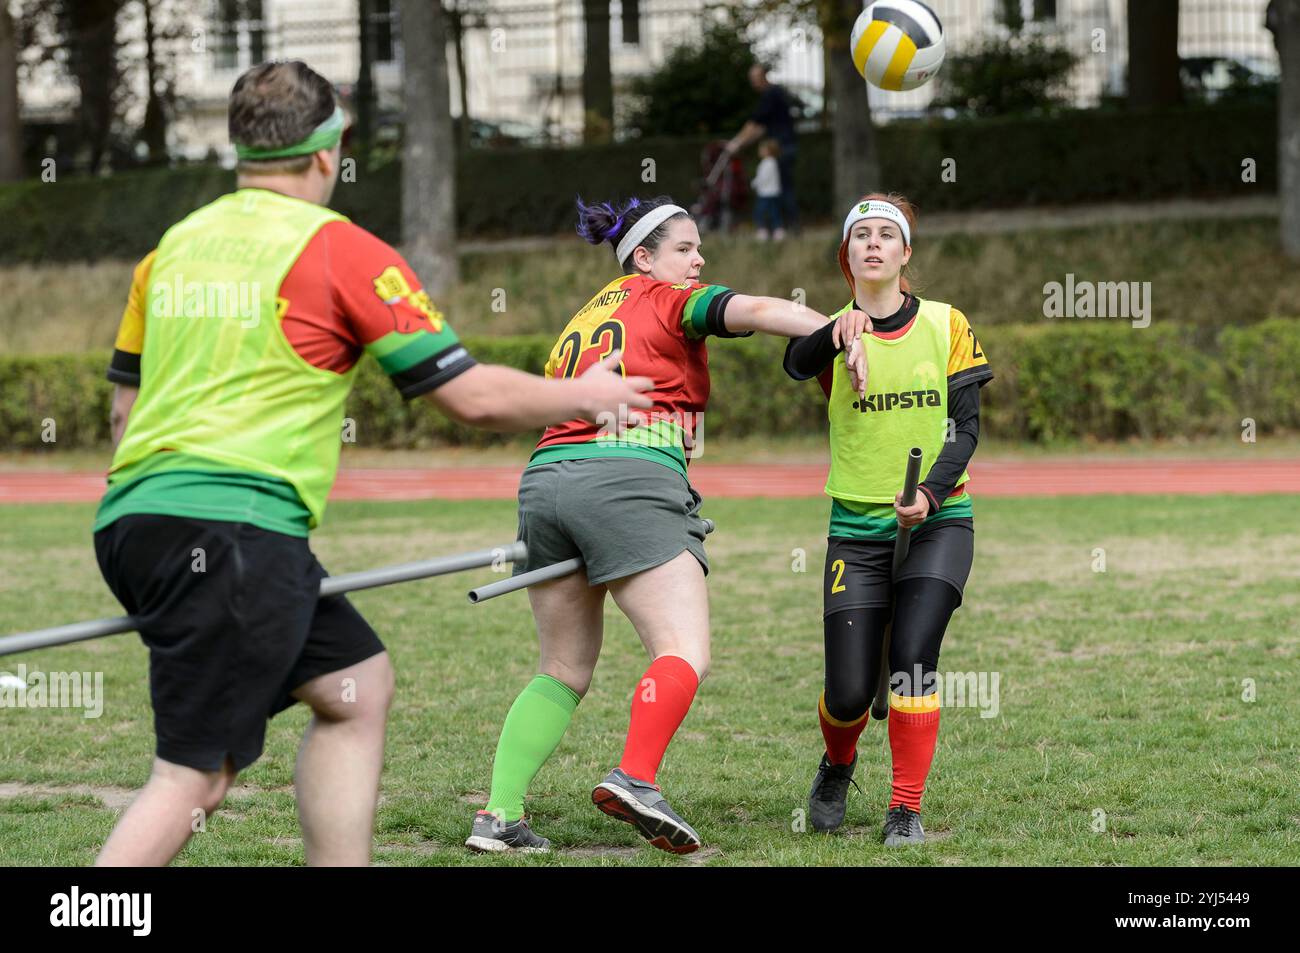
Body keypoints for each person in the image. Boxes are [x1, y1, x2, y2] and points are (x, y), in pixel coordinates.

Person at [92, 60, 652, 867]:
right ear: (331, 150)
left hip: (137, 521)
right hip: (232, 531)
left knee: (355, 686)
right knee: (193, 778)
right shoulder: (341, 251)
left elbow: (124, 413)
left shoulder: (171, 249)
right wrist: (587, 393)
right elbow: (470, 397)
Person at [466, 195, 866, 855]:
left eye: (698, 248)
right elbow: (757, 311)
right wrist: (839, 327)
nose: (699, 260)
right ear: (645, 258)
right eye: (685, 249)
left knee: (561, 667)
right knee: (683, 648)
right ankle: (635, 777)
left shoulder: (587, 313)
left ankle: (498, 814)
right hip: (629, 477)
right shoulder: (669, 298)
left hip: (545, 479)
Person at [782, 193, 993, 846]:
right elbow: (795, 363)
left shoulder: (946, 323)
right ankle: (837, 763)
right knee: (849, 694)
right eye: (861, 235)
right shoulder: (828, 333)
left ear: (905, 253)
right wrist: (837, 332)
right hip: (856, 530)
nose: (873, 243)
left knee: (911, 660)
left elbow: (965, 428)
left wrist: (929, 493)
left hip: (938, 523)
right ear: (846, 255)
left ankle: (905, 809)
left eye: (886, 235)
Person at [724, 64, 799, 234]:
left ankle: (788, 226)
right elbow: (761, 128)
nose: (753, 83)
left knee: (782, 188)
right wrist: (742, 143)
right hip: (783, 146)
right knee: (782, 188)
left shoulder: (771, 95)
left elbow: (754, 123)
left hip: (782, 148)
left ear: (763, 77)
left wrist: (736, 142)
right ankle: (783, 226)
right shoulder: (774, 94)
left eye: (754, 79)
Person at [751, 138, 784, 241]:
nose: (760, 151)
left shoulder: (768, 163)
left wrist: (754, 183)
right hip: (771, 192)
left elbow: (763, 178)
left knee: (760, 212)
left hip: (766, 193)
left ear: (768, 151)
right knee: (774, 212)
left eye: (762, 149)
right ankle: (776, 230)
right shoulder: (771, 162)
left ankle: (764, 231)